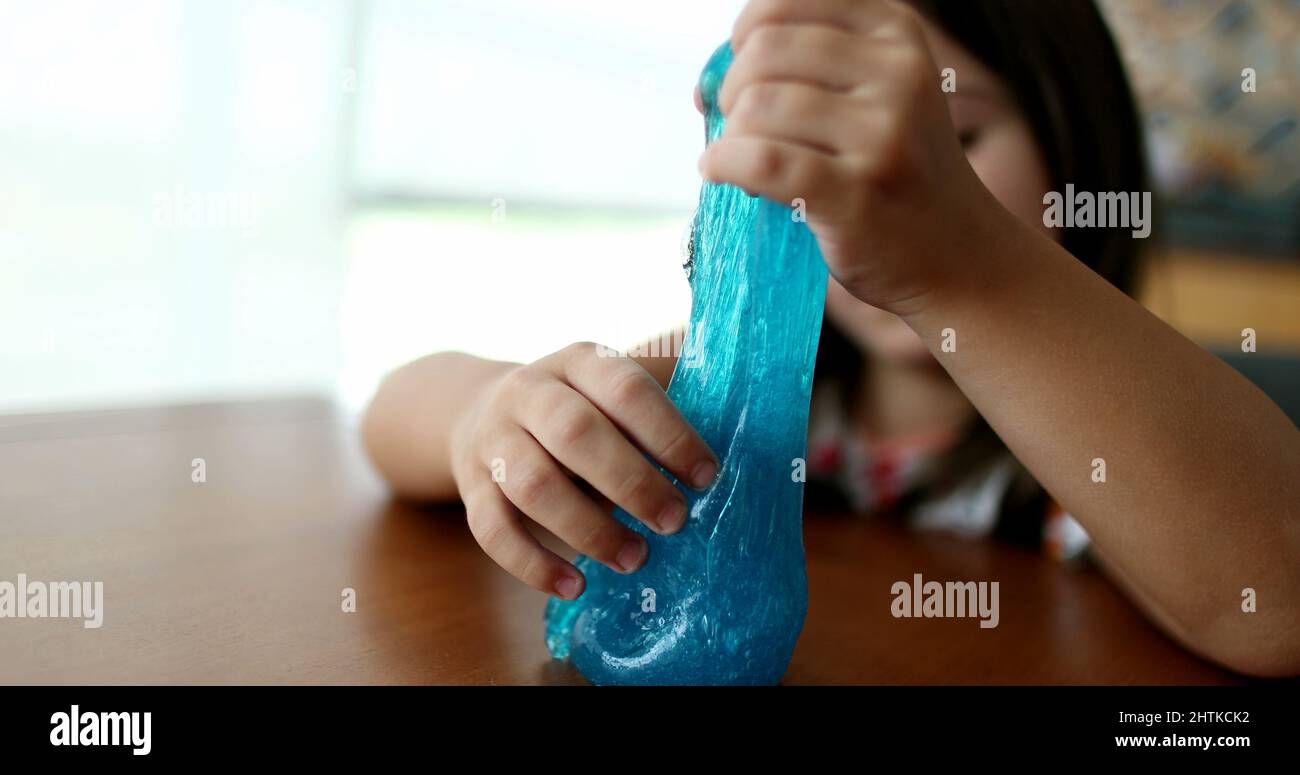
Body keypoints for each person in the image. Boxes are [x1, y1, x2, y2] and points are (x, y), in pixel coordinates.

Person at [361, 0, 1300, 678]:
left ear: (1080, 150)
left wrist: (965, 266)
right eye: (817, 157)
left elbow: (1278, 600)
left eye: (948, 137)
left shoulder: (1087, 468)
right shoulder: (724, 403)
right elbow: (392, 411)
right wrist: (487, 415)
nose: (859, 189)